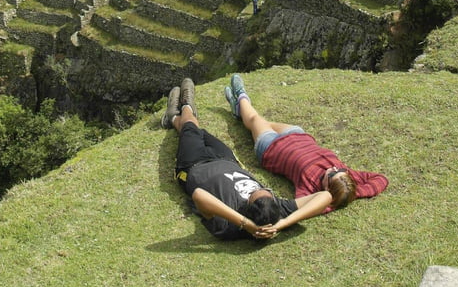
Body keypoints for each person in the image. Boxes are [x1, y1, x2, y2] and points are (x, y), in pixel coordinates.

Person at [161, 78, 331, 240]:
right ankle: (174, 117)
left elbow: (198, 195)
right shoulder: (276, 211)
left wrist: (244, 223)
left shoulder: (227, 225)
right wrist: (283, 223)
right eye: (269, 192)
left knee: (190, 127)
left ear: (248, 205)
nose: (265, 190)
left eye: (253, 194)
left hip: (193, 166)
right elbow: (325, 197)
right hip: (226, 159)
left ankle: (186, 106)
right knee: (197, 132)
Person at [224, 73, 388, 232]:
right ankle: (238, 109)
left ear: (325, 189)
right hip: (297, 134)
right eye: (341, 170)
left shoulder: (309, 188)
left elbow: (304, 207)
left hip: (270, 148)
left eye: (332, 175)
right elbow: (381, 179)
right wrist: (351, 193)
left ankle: (241, 96)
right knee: (260, 120)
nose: (334, 168)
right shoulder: (348, 180)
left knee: (254, 119)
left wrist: (332, 201)